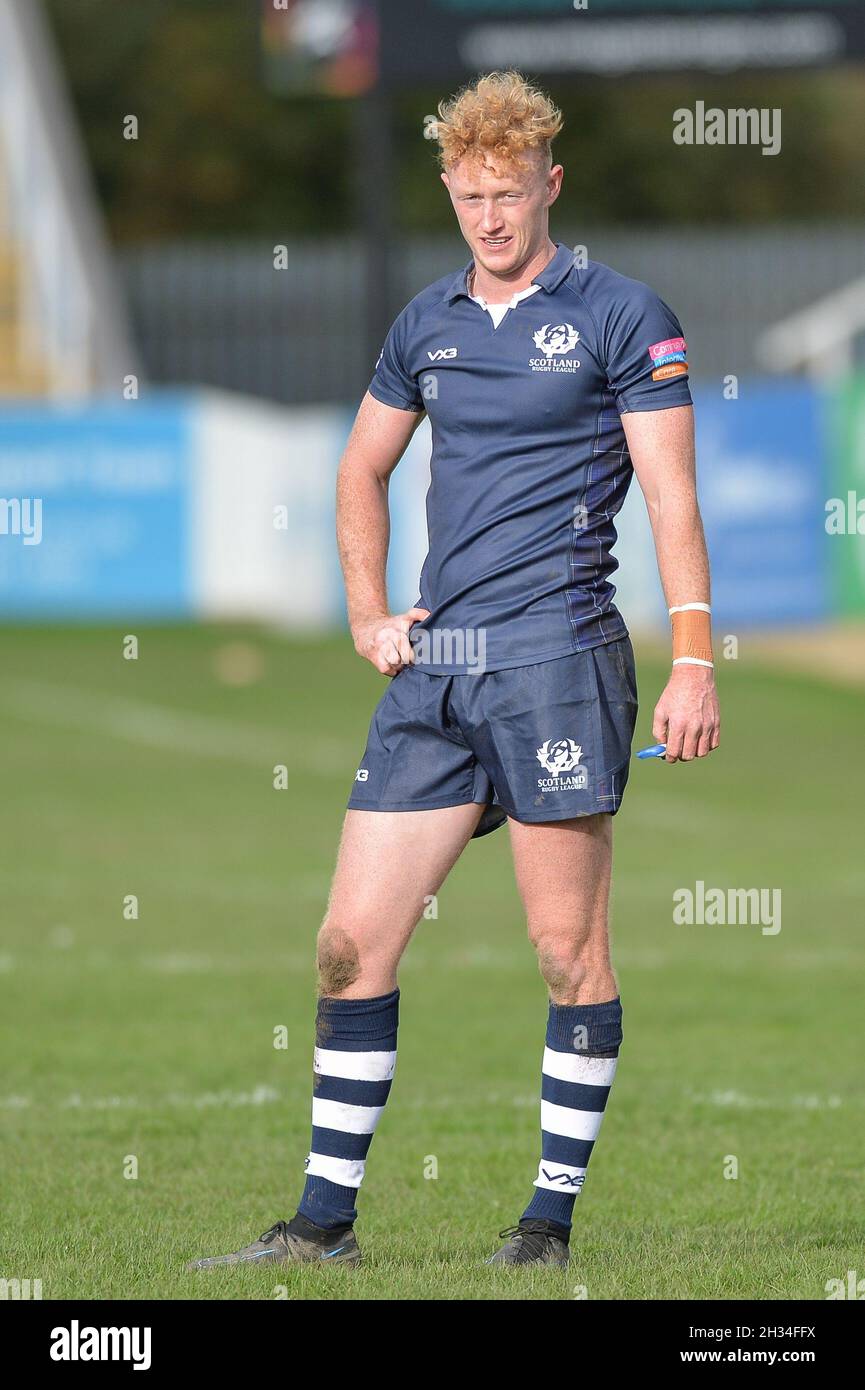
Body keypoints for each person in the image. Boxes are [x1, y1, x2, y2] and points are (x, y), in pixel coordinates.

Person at [188, 69, 719, 1272]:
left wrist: (693, 659)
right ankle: (322, 1226)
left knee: (562, 951)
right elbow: (357, 469)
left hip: (559, 663)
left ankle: (546, 1222)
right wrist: (369, 611)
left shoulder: (622, 313)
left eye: (509, 193)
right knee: (345, 944)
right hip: (437, 673)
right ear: (448, 189)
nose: (489, 215)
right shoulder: (423, 322)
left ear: (551, 184)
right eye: (469, 194)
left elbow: (676, 500)